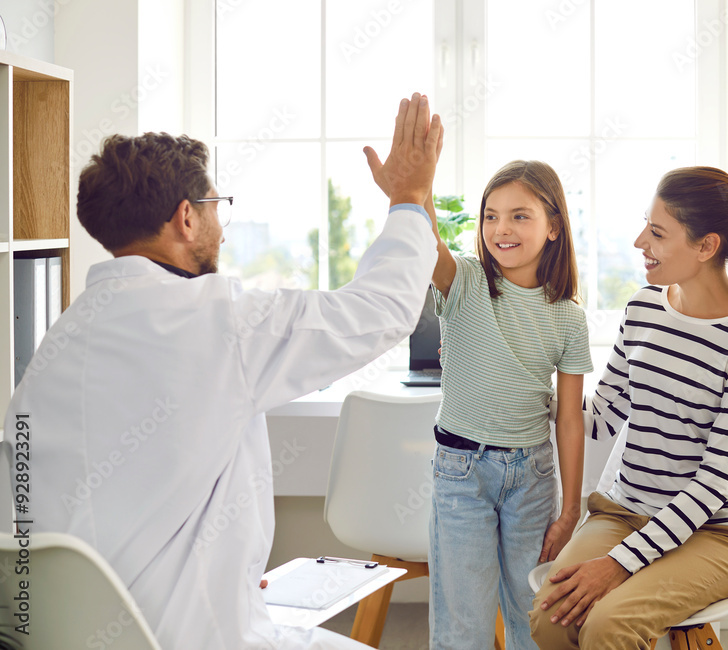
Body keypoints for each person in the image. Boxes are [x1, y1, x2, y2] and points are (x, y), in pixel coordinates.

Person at [3, 93, 442, 649]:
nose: (224, 228)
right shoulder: (223, 320)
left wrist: (224, 566)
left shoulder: (55, 347)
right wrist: (408, 199)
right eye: (216, 205)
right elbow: (378, 313)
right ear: (186, 217)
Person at [529, 166, 728, 649]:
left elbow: (715, 482)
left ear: (706, 246)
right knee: (553, 615)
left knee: (609, 624)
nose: (640, 242)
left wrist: (617, 564)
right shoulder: (644, 308)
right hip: (623, 513)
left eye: (657, 233)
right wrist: (521, 377)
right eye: (645, 226)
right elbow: (601, 418)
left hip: (720, 535)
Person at [362, 157, 592, 649]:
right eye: (491, 215)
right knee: (462, 626)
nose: (500, 228)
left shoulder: (569, 317)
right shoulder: (463, 281)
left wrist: (570, 510)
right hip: (461, 474)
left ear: (554, 227)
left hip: (531, 480)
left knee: (533, 621)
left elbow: (569, 421)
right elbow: (431, 243)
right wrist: (413, 189)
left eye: (519, 215)